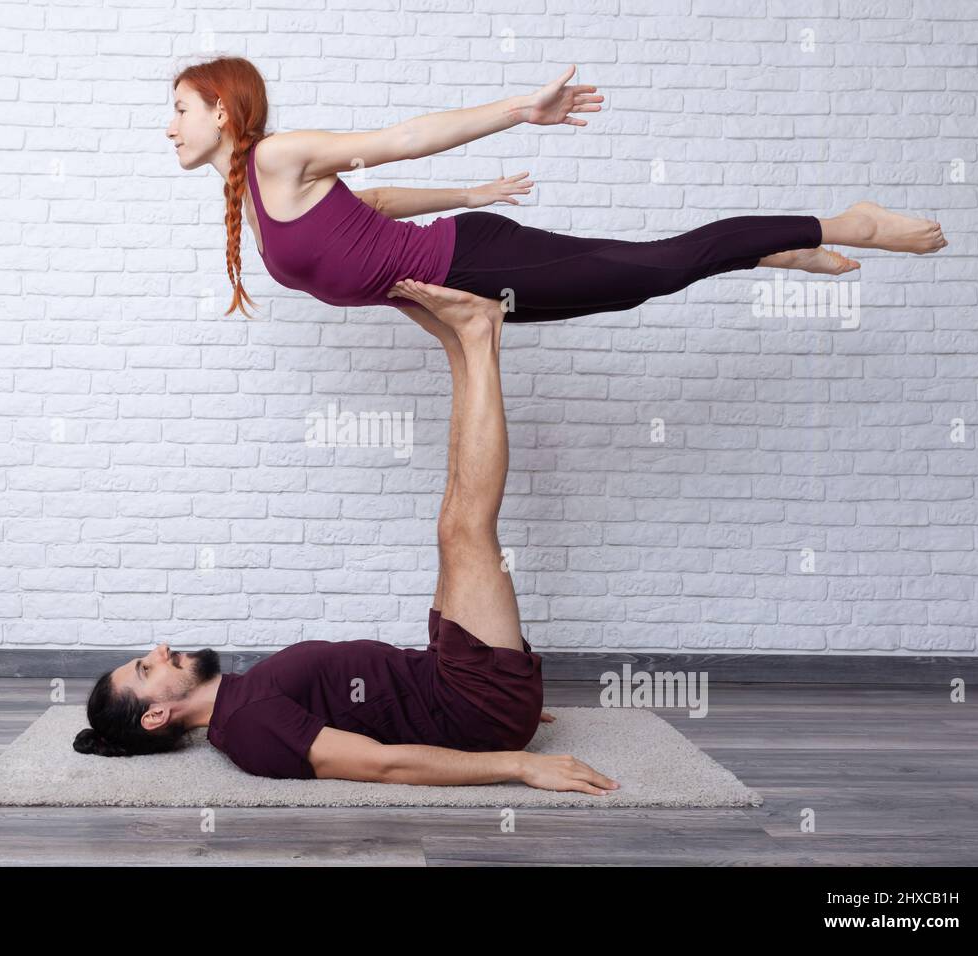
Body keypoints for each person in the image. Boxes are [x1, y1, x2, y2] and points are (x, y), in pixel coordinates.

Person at [76, 285, 621, 796]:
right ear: (155, 716)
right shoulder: (249, 729)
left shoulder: (242, 698)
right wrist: (519, 760)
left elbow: (368, 705)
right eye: (147, 669)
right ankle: (477, 335)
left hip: (447, 678)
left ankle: (464, 341)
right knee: (466, 526)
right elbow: (383, 764)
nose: (161, 650)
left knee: (454, 517)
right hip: (470, 702)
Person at [168, 55, 945, 323]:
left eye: (179, 110)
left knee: (653, 268)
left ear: (222, 110)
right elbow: (365, 214)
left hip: (473, 263)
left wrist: (518, 112)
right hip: (465, 281)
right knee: (640, 284)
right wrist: (469, 193)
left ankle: (846, 222)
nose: (169, 128)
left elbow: (401, 138)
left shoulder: (279, 156)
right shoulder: (245, 196)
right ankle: (778, 253)